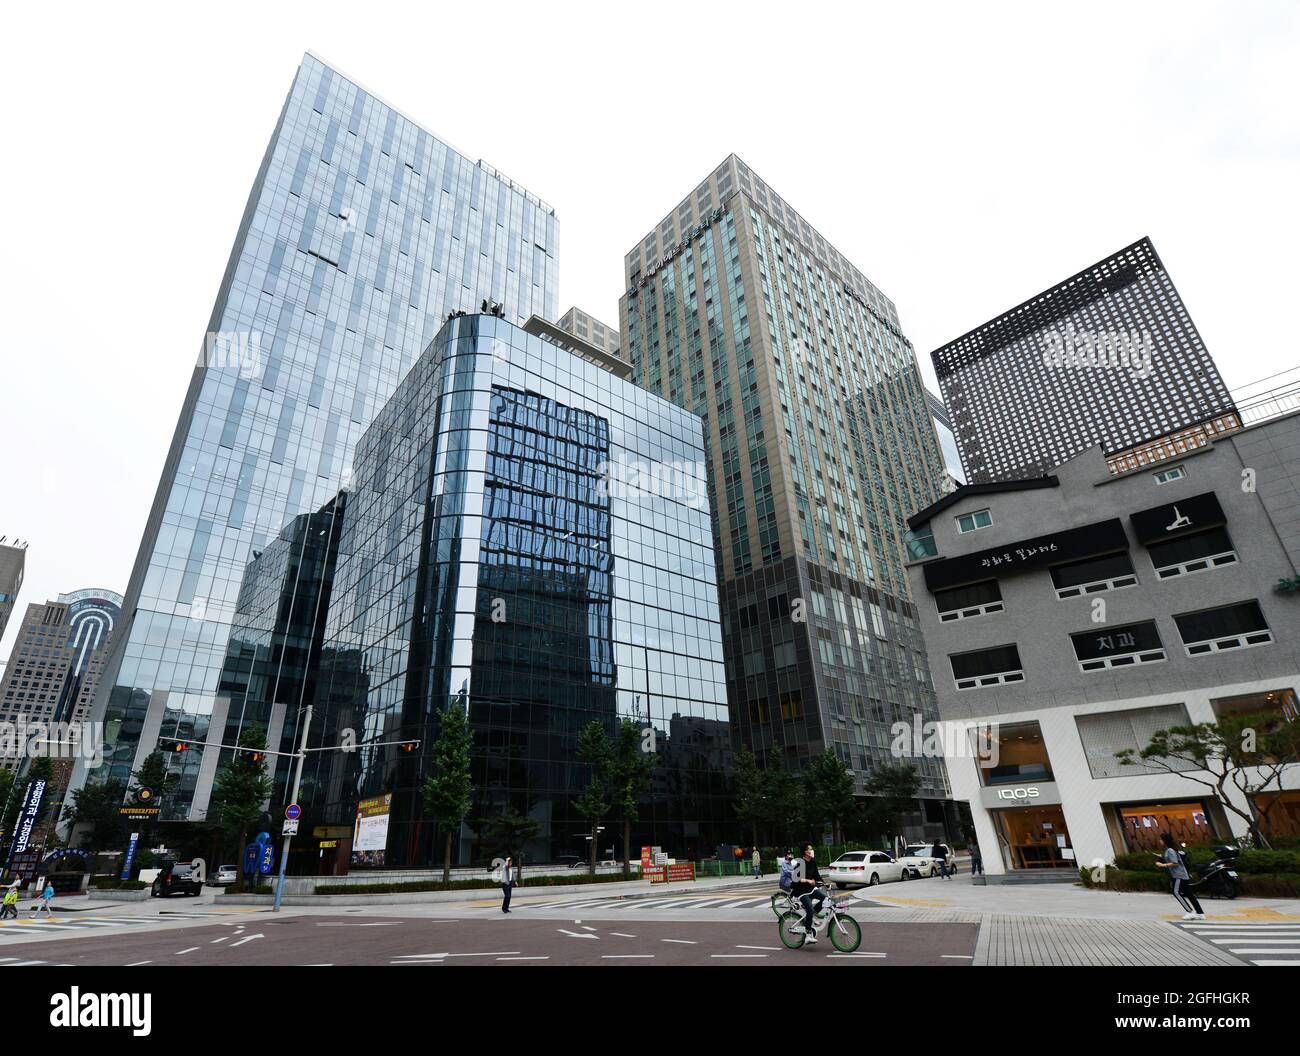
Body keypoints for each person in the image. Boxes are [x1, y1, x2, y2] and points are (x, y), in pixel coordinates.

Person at [1155, 832, 1204, 920]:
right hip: (1182, 874)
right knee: (1189, 894)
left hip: (1178, 875)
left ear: (1165, 841)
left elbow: (1175, 863)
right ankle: (1200, 913)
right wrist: (1161, 857)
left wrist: (1163, 865)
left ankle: (1189, 911)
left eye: (1161, 839)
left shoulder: (1170, 850)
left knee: (1176, 892)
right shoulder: (1169, 850)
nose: (1159, 841)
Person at [790, 842, 826, 943]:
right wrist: (808, 880)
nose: (812, 850)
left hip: (810, 889)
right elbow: (795, 879)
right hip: (801, 891)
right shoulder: (800, 863)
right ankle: (808, 935)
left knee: (825, 899)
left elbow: (817, 875)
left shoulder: (813, 861)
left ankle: (812, 915)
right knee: (809, 910)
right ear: (806, 852)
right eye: (810, 849)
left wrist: (825, 884)